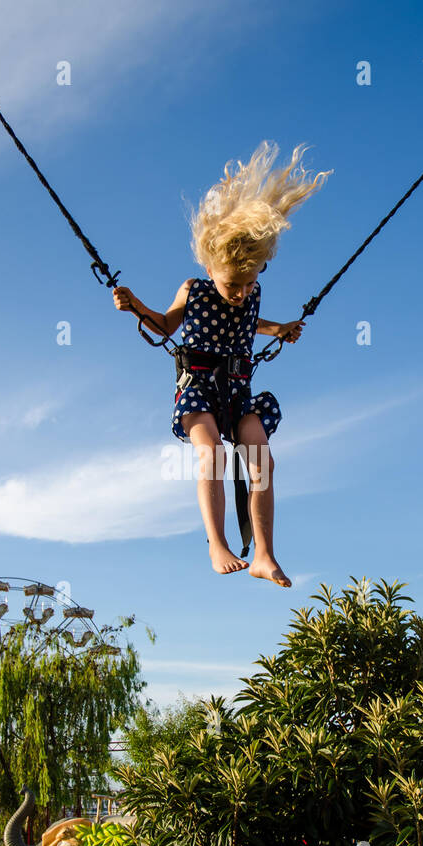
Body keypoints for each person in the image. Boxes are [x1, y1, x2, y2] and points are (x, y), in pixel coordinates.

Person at [114, 141, 330, 585]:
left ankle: (265, 555)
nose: (241, 294)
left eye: (249, 284)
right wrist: (134, 305)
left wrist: (281, 328)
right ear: (212, 266)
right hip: (197, 388)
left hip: (238, 392)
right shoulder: (194, 289)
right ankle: (217, 543)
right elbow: (165, 326)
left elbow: (251, 323)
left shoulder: (250, 291)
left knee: (261, 460)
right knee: (210, 451)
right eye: (233, 285)